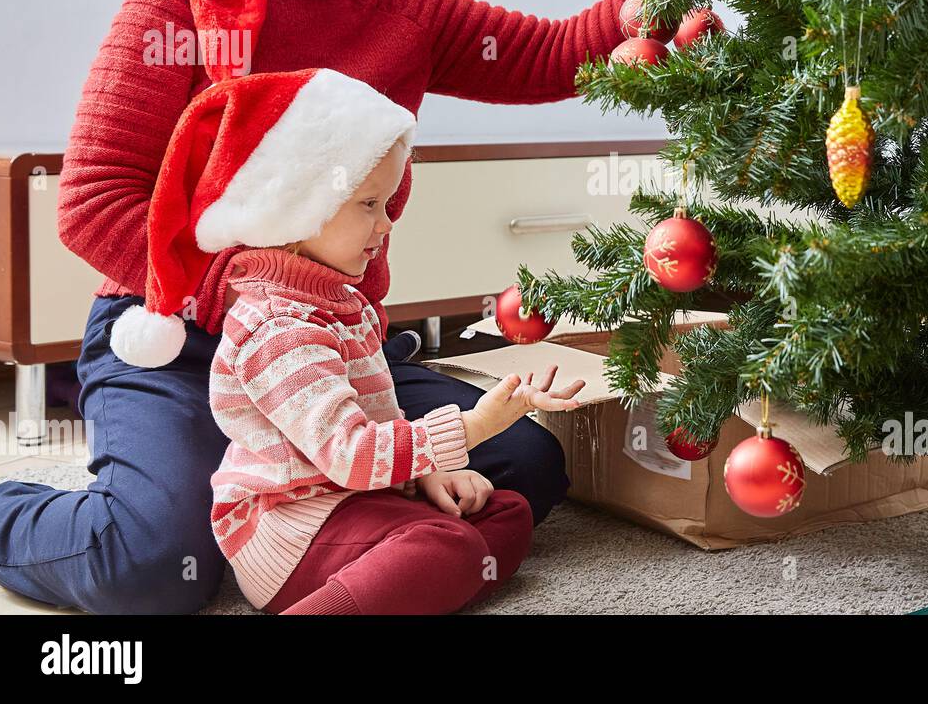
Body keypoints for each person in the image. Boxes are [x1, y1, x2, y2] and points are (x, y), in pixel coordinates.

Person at [0, 0, 750, 614]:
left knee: (525, 466)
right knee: (152, 563)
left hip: (331, 347)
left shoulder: (401, 10)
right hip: (181, 335)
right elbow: (94, 204)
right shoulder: (173, 5)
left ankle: (337, 511)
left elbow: (556, 51)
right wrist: (252, 303)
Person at [104, 67, 584, 614]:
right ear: (298, 209)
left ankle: (397, 583)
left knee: (506, 511)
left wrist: (425, 470)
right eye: (368, 205)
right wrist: (474, 427)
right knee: (447, 543)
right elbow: (351, 456)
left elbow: (377, 423)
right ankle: (368, 589)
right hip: (292, 530)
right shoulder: (279, 329)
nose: (386, 225)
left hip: (358, 500)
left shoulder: (341, 302)